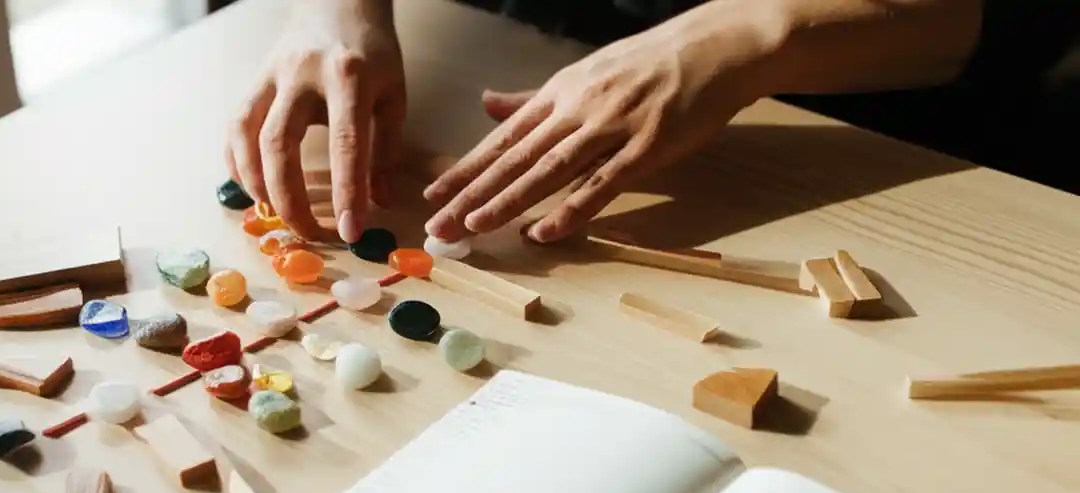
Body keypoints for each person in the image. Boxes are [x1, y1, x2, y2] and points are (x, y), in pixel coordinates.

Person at [224, 0, 1077, 247]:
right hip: (493, 45)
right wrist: (336, 9)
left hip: (879, 113)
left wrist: (751, 35)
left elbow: (1031, 22)